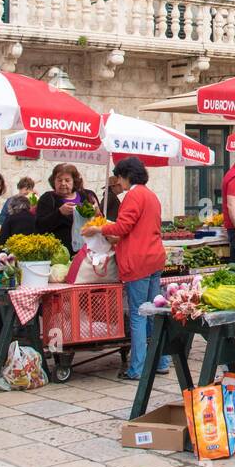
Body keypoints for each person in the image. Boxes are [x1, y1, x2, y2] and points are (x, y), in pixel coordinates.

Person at [101, 157, 170, 380]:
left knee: (139, 314)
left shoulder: (133, 195)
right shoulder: (151, 195)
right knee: (155, 313)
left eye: (119, 178)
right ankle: (161, 361)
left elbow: (123, 226)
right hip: (155, 258)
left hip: (137, 261)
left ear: (126, 176)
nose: (118, 183)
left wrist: (99, 228)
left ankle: (137, 368)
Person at [36, 163, 86, 254]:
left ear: (74, 181)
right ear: (53, 181)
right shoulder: (47, 198)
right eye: (59, 180)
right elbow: (39, 226)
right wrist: (59, 213)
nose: (63, 183)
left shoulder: (84, 196)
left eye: (67, 180)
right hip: (58, 252)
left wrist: (96, 213)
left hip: (83, 250)